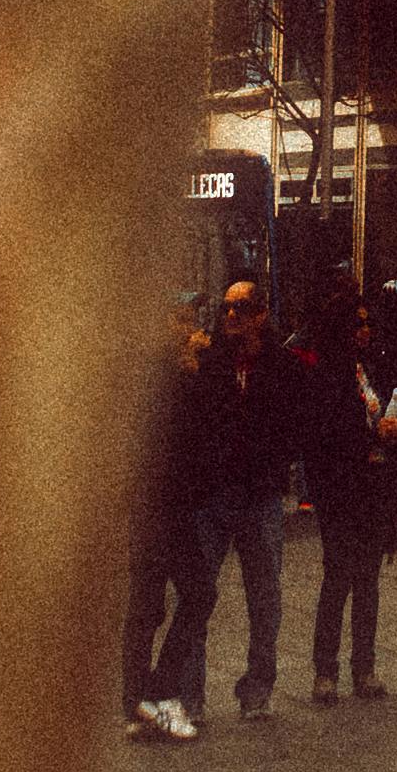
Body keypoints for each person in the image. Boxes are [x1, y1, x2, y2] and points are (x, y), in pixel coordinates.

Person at [162, 280, 302, 722]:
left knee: (265, 597)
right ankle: (192, 696)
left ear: (260, 314)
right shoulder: (210, 361)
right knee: (198, 595)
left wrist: (272, 468)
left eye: (240, 308)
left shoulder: (280, 364)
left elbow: (288, 425)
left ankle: (257, 688)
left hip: (258, 494)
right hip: (214, 492)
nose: (230, 316)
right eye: (226, 308)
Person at [297, 278, 397, 701]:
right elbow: (325, 435)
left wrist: (395, 431)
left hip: (375, 487)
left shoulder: (372, 367)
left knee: (368, 580)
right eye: (357, 324)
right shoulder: (326, 374)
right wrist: (372, 434)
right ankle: (325, 671)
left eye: (368, 323)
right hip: (341, 490)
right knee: (338, 576)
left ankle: (365, 667)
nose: (365, 330)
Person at [122, 315, 212, 740]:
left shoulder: (152, 380)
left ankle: (137, 700)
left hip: (155, 507)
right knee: (196, 592)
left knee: (146, 606)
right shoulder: (175, 382)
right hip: (167, 508)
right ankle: (157, 691)